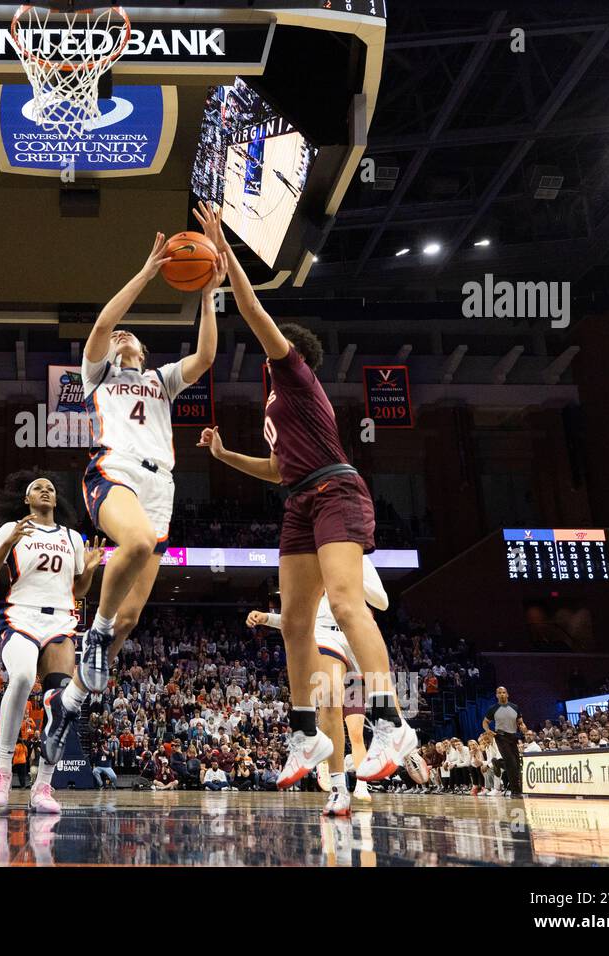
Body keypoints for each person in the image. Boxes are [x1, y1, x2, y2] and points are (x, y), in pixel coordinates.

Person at [192, 200, 415, 791]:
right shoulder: (275, 407)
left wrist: (225, 255)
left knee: (344, 602)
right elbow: (278, 469)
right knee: (295, 622)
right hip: (299, 499)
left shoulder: (293, 373)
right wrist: (222, 458)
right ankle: (304, 732)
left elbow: (253, 309)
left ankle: (392, 721)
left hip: (337, 491)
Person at [43, 234, 224, 765]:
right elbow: (101, 325)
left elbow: (207, 354)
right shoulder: (98, 374)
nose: (122, 337)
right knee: (137, 544)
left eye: (131, 338)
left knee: (133, 617)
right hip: (113, 471)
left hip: (160, 486)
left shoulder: (160, 381)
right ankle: (93, 634)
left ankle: (67, 703)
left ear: (143, 354)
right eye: (120, 337)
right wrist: (147, 273)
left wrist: (209, 292)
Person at [0, 471, 104, 813]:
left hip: (61, 618)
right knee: (19, 678)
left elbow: (77, 591)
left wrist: (90, 569)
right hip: (21, 614)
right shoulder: (12, 529)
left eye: (50, 488)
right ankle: (1, 773)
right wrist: (6, 543)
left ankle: (43, 787)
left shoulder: (72, 537)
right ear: (26, 499)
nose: (46, 491)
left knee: (62, 700)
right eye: (38, 488)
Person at [244, 553, 390, 815]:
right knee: (330, 700)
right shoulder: (307, 567)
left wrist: (347, 579)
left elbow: (382, 602)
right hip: (325, 639)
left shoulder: (356, 558)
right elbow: (295, 620)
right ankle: (338, 787)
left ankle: (364, 781)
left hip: (357, 642)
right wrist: (267, 617)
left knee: (356, 730)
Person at [482, 686, 527, 794]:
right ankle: (515, 791)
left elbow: (520, 722)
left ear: (507, 694)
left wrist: (523, 726)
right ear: (497, 695)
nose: (502, 694)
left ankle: (499, 764)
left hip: (513, 737)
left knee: (516, 763)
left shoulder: (515, 707)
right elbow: (485, 723)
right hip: (501, 737)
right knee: (511, 763)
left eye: (503, 692)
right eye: (499, 693)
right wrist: (488, 731)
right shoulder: (493, 709)